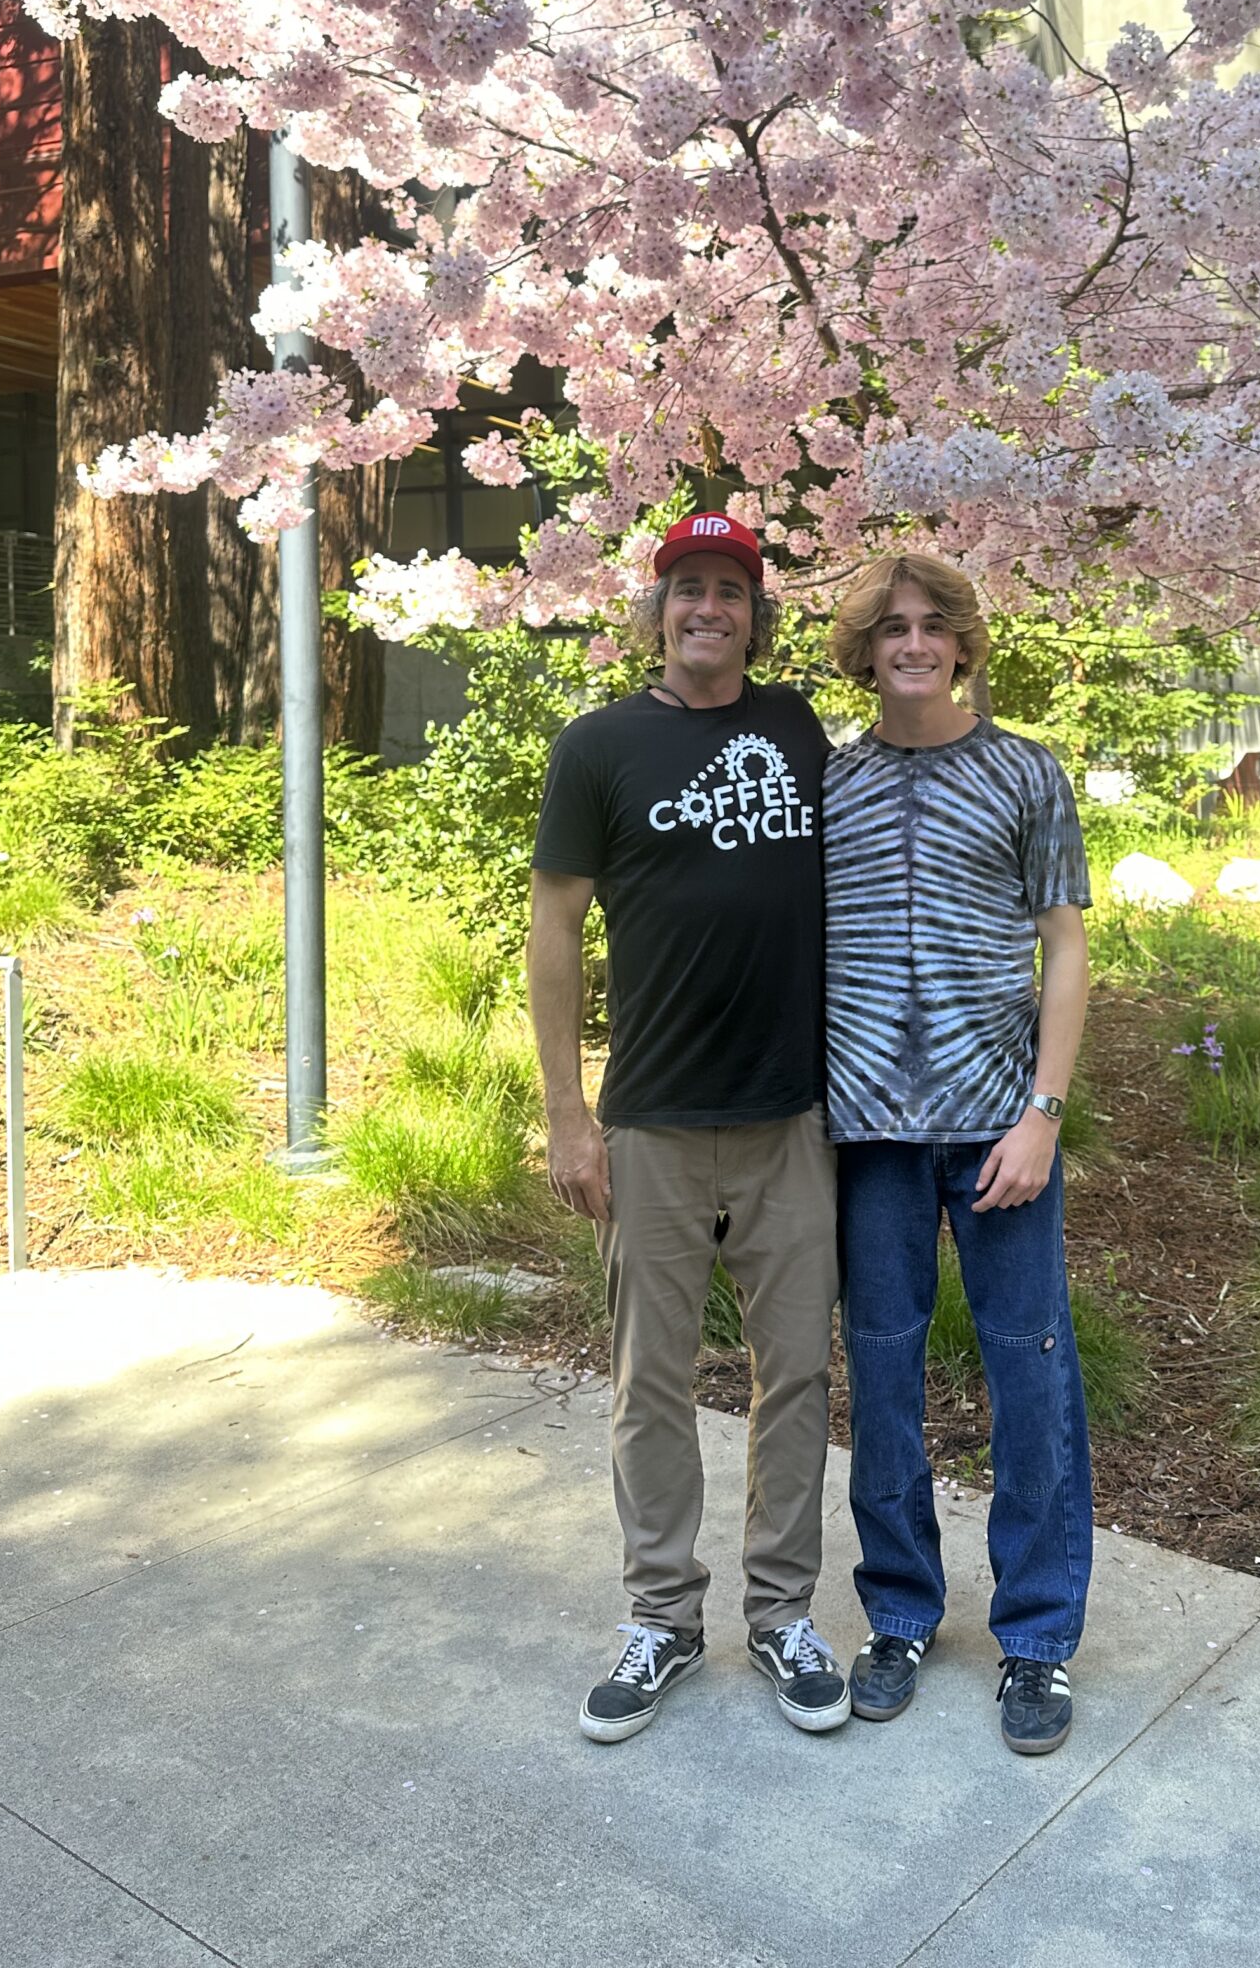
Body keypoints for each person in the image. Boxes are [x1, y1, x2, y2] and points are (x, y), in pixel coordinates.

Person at [526, 511, 849, 1743]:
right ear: (656, 611)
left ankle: (781, 1615)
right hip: (652, 1119)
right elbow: (555, 931)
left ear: (755, 614)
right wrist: (570, 1113)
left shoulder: (802, 732)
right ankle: (661, 1613)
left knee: (798, 1377)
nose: (707, 606)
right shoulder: (598, 746)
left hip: (791, 1116)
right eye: (686, 588)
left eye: (729, 588)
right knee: (649, 1381)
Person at [822, 552, 1093, 1755]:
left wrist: (1044, 1109)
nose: (914, 643)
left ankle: (1036, 1640)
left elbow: (1067, 950)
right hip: (869, 1132)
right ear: (865, 649)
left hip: (999, 1130)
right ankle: (898, 1612)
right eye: (893, 628)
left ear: (965, 642)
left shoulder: (1027, 773)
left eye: (934, 625)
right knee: (881, 1380)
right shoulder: (829, 785)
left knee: (1030, 1373)